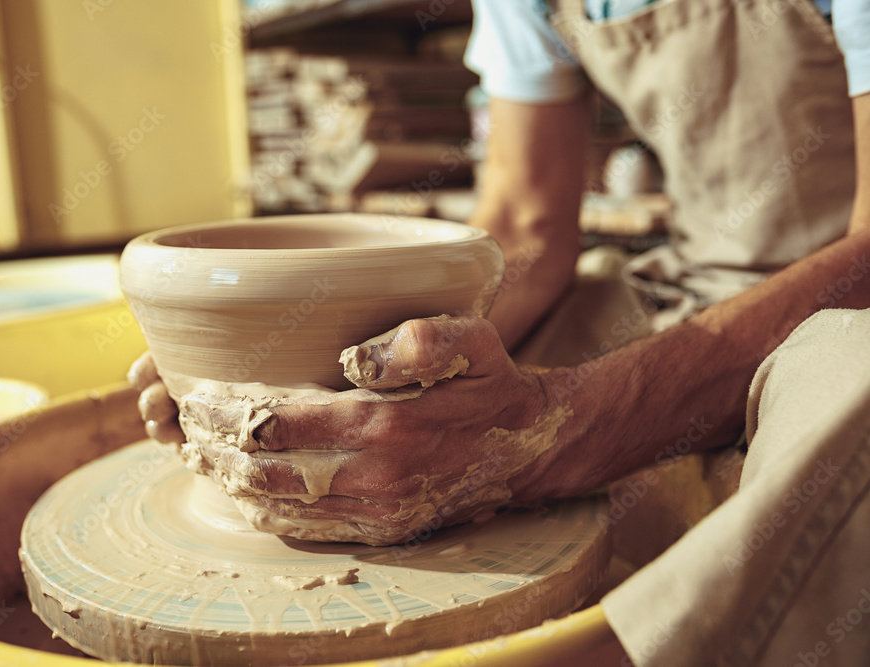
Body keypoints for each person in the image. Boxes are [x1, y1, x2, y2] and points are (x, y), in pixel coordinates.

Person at [132, 0, 870, 662]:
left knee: (851, 372)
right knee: (464, 369)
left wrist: (550, 434)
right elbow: (525, 224)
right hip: (691, 277)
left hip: (845, 293)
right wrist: (310, 384)